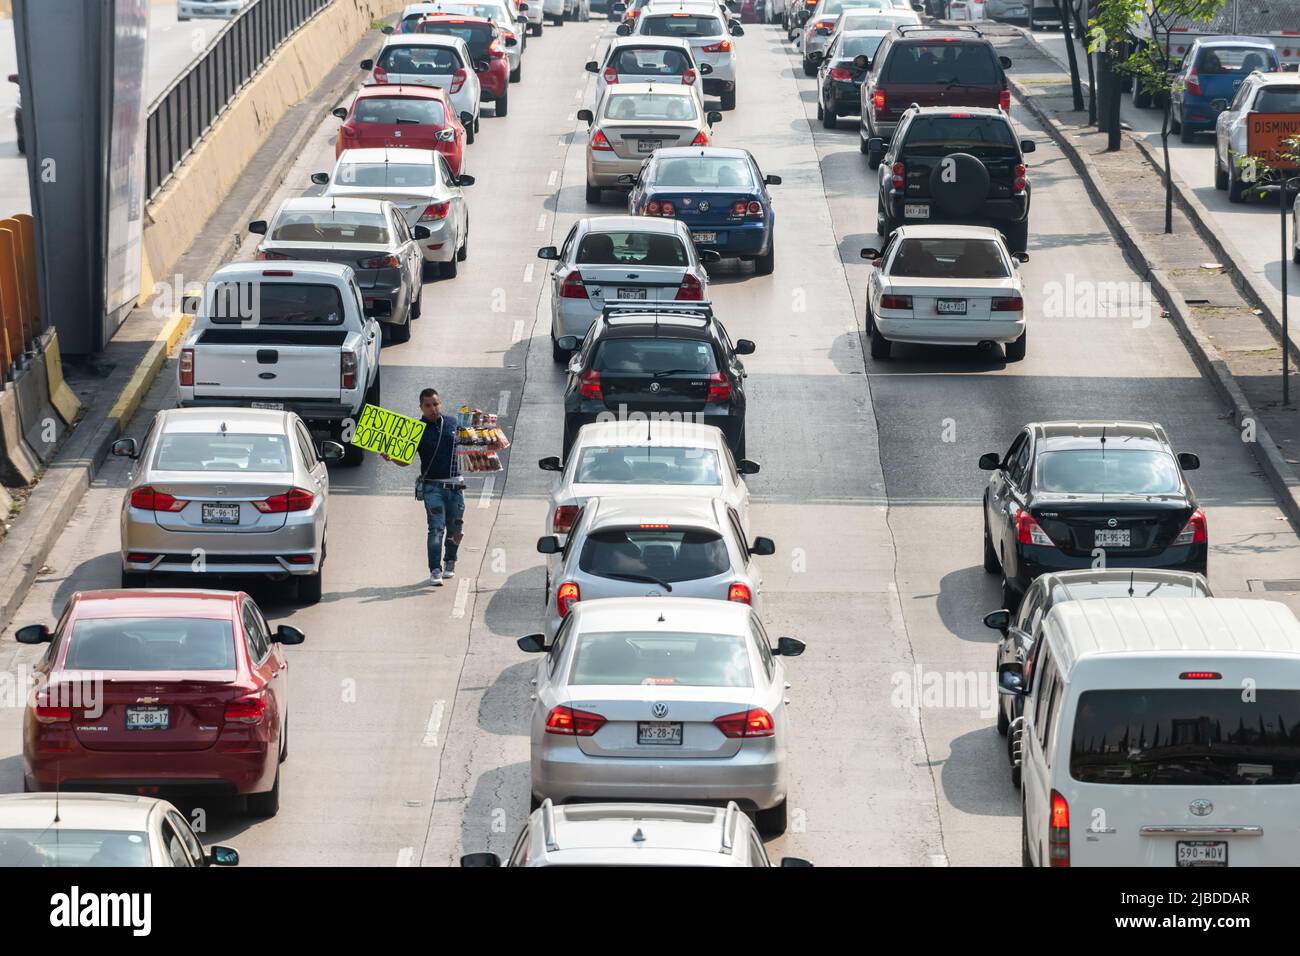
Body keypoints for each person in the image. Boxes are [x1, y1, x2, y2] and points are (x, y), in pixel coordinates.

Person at [384, 388, 465, 586]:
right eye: (428, 405)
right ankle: (435, 569)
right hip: (432, 488)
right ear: (421, 408)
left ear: (441, 403)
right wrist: (392, 457)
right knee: (436, 529)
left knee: (456, 529)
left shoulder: (453, 423)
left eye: (435, 404)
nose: (433, 409)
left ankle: (450, 560)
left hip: (456, 486)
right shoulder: (416, 430)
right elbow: (405, 460)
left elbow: (471, 442)